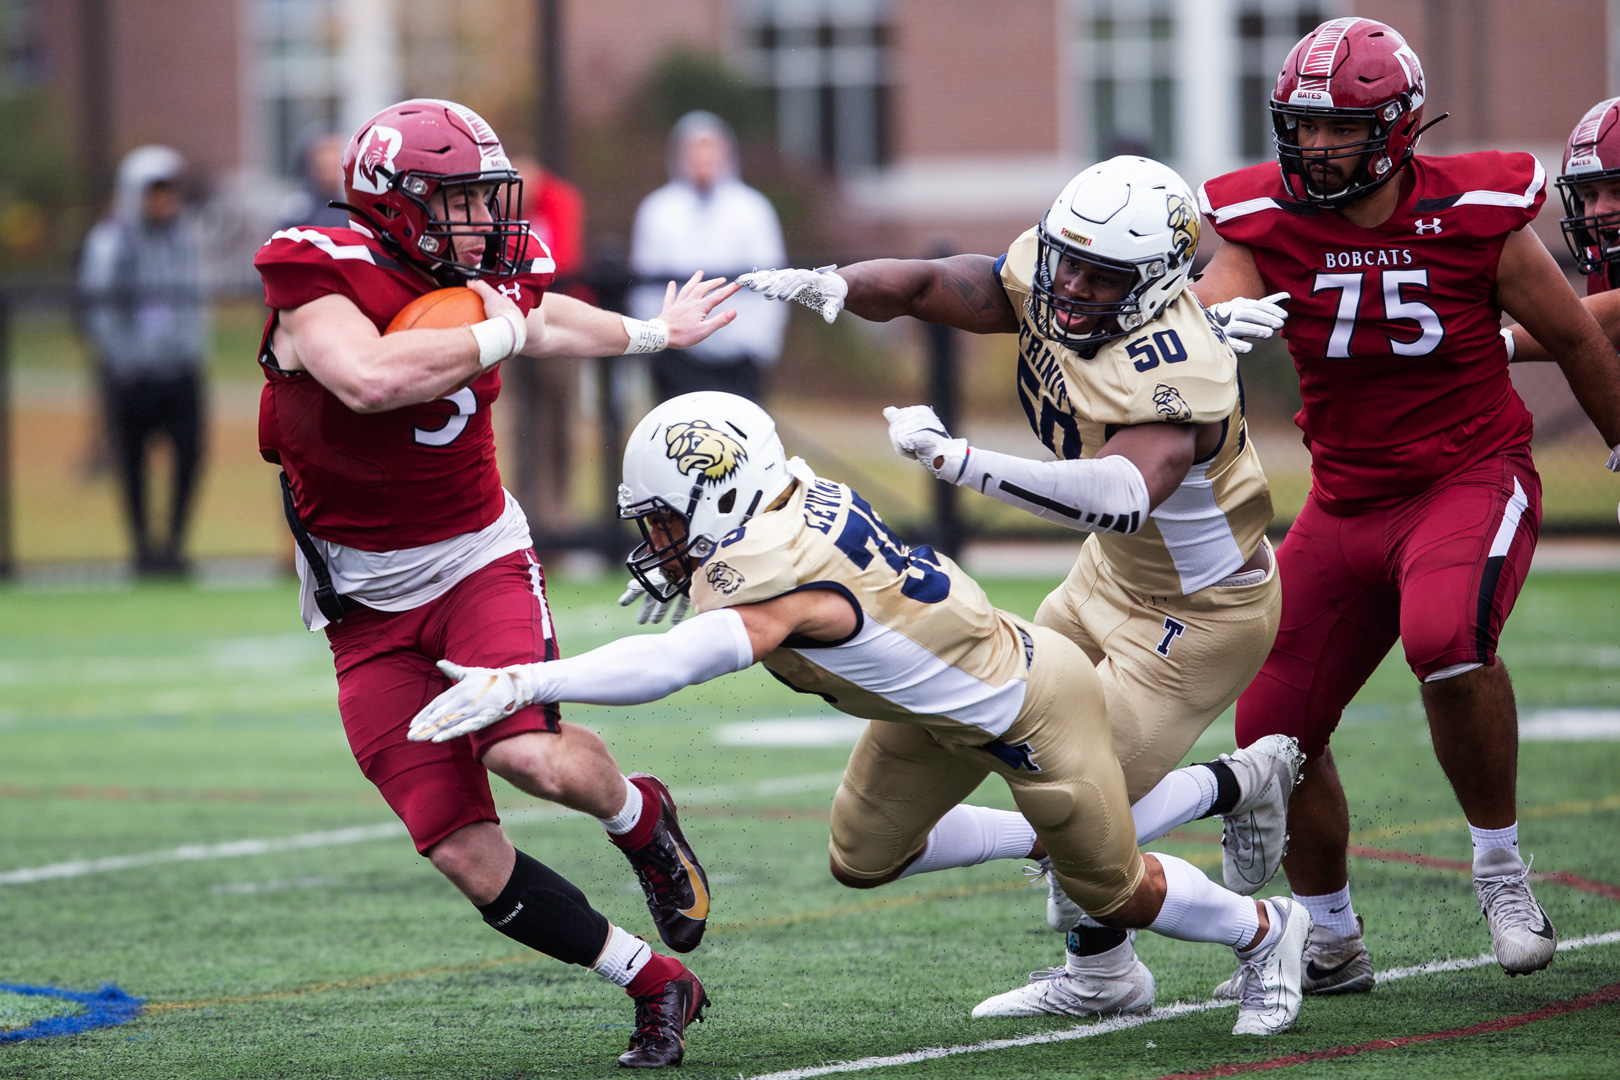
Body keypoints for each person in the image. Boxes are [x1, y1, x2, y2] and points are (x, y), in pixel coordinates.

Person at [409, 390, 1315, 1037]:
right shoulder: (783, 496)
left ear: (721, 493)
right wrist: (696, 568)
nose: (658, 545)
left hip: (1031, 712)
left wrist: (529, 680)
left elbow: (684, 660)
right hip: (931, 707)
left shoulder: (774, 570)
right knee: (865, 855)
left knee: (1111, 890)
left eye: (666, 524)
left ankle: (1266, 932)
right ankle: (1085, 833)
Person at [735, 156, 1302, 1016]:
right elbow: (937, 283)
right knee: (998, 797)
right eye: (1067, 261)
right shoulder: (1058, 271)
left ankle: (1241, 786)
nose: (1069, 285)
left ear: (1155, 282)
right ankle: (1106, 972)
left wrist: (962, 462)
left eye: (1098, 275)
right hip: (1102, 579)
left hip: (1200, 614)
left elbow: (1121, 493)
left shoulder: (1180, 363)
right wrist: (838, 283)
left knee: (1079, 810)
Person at [254, 98, 743, 1069]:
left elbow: (541, 316)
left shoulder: (483, 273)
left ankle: (639, 816)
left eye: (487, 199)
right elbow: (370, 378)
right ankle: (654, 981)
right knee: (462, 851)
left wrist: (653, 333)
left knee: (530, 758)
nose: (485, 219)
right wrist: (500, 331)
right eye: (462, 201)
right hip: (363, 607)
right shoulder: (317, 270)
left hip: (476, 557)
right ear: (395, 203)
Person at [1193, 18, 1620, 995]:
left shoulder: (1474, 209)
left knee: (1447, 644)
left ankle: (1501, 871)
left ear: (1395, 128)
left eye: (1337, 129)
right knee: (1271, 726)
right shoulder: (1267, 220)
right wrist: (1203, 324)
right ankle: (1329, 937)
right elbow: (1214, 298)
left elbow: (1577, 338)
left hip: (1467, 475)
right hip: (1345, 502)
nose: (1313, 148)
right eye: (1301, 127)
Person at [78, 145, 209, 576]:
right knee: (131, 463)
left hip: (180, 369)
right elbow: (99, 309)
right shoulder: (109, 241)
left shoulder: (184, 238)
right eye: (155, 191)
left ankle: (174, 546)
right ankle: (142, 550)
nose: (164, 201)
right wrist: (124, 361)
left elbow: (195, 300)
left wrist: (190, 350)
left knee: (189, 457)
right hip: (131, 375)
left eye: (169, 190)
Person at [629, 111, 787, 402]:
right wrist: (655, 342)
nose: (703, 159)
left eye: (711, 148)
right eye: (694, 150)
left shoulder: (753, 210)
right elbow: (644, 282)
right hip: (675, 355)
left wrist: (760, 344)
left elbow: (773, 282)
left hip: (741, 353)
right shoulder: (657, 210)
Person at [276, 130, 351, 232]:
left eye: (335, 153)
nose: (330, 160)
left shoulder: (349, 209)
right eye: (324, 155)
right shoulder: (299, 208)